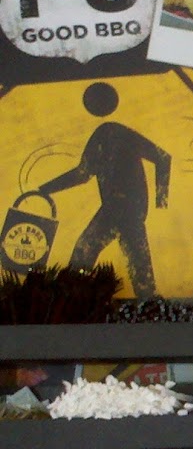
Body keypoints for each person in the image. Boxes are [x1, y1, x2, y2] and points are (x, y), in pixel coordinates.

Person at [37, 82, 170, 297]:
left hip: (125, 207)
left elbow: (163, 158)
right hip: (119, 208)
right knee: (132, 262)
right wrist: (45, 189)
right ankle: (70, 300)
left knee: (89, 250)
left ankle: (68, 299)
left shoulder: (114, 132)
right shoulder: (103, 135)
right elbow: (82, 173)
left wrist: (161, 202)